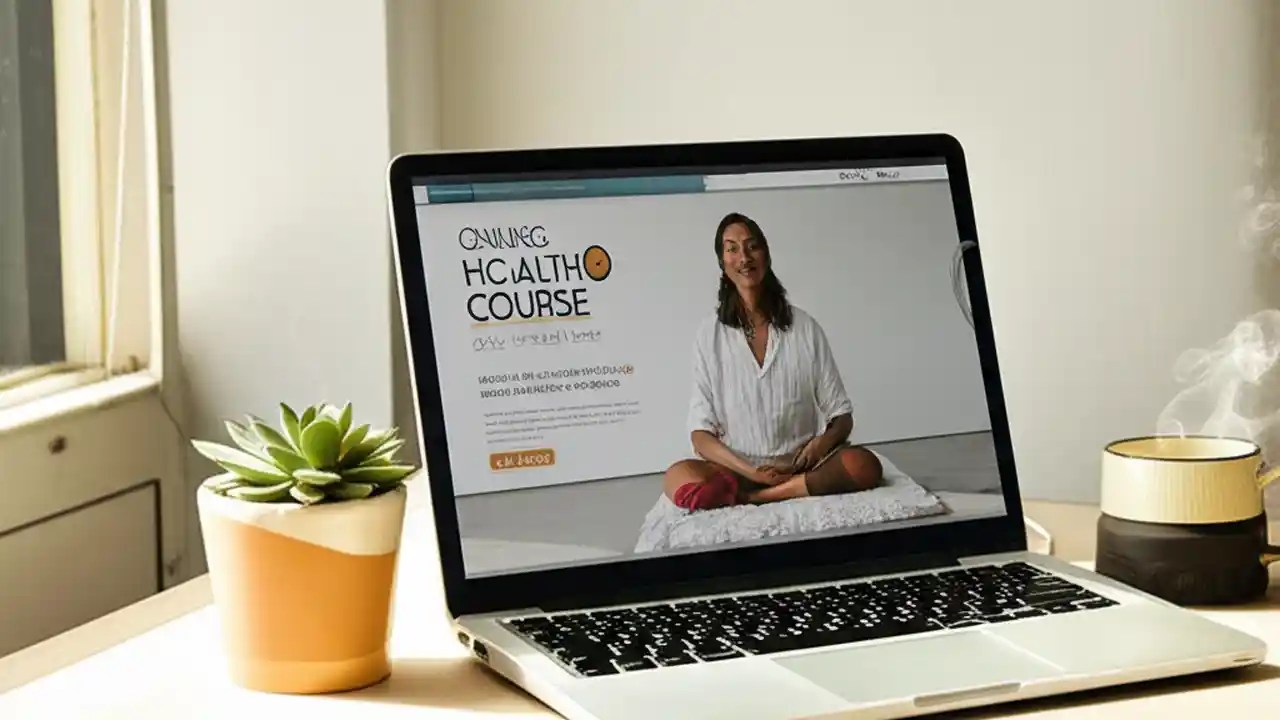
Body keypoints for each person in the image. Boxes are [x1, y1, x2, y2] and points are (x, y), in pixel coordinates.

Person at [663, 212, 884, 511]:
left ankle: (760, 497)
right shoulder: (709, 335)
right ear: (722, 262)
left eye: (752, 246)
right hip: (738, 471)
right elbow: (700, 436)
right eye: (732, 249)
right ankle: (775, 491)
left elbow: (842, 417)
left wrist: (820, 445)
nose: (744, 258)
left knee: (863, 465)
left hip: (801, 467)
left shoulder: (805, 327)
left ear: (766, 255)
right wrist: (752, 473)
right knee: (676, 477)